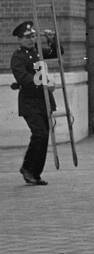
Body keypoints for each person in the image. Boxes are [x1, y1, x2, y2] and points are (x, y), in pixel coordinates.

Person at [10, 21, 60, 185]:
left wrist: (52, 40)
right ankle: (27, 168)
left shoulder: (38, 52)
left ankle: (35, 173)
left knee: (44, 137)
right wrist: (43, 83)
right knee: (40, 134)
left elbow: (57, 53)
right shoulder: (18, 56)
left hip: (44, 101)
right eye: (27, 37)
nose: (31, 40)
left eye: (32, 36)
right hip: (30, 102)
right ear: (19, 39)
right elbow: (23, 78)